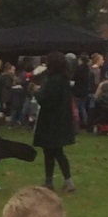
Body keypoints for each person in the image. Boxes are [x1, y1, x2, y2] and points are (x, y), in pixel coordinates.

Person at [31, 52, 76, 190]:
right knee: (52, 151)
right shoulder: (63, 79)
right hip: (60, 120)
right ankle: (51, 181)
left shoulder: (54, 80)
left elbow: (48, 100)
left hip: (52, 121)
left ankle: (65, 181)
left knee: (55, 151)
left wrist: (36, 92)